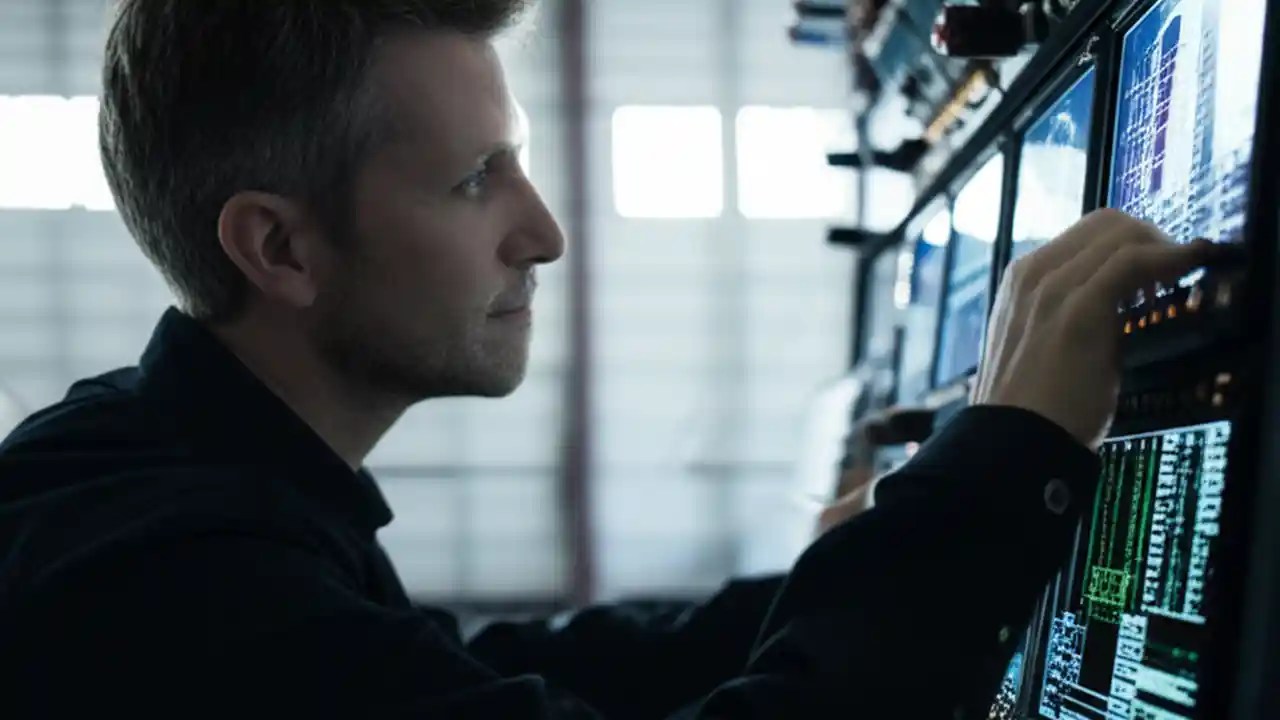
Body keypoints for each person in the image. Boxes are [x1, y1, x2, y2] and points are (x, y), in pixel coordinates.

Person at [0, 1, 1224, 717]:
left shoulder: (163, 470)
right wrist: (1007, 457)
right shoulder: (167, 584)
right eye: (473, 179)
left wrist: (888, 540)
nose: (542, 232)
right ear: (279, 247)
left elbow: (484, 676)